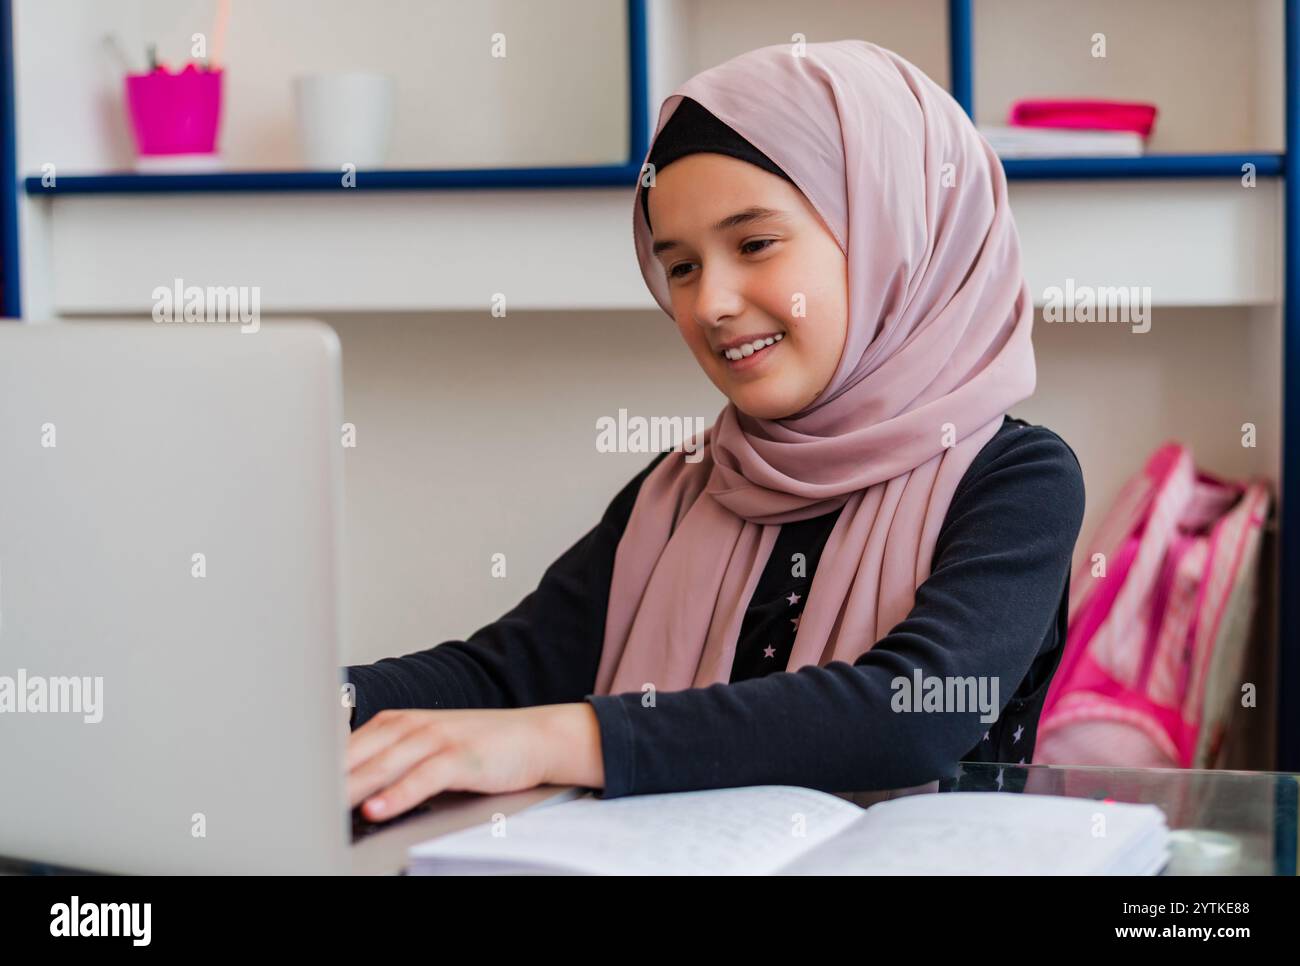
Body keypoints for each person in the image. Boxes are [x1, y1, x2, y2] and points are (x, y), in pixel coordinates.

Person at [343, 39, 1085, 822]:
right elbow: (505, 676)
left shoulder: (1016, 478)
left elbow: (914, 707)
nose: (710, 305)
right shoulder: (685, 486)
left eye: (754, 243)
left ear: (893, 232)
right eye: (682, 266)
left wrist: (561, 739)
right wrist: (313, 703)